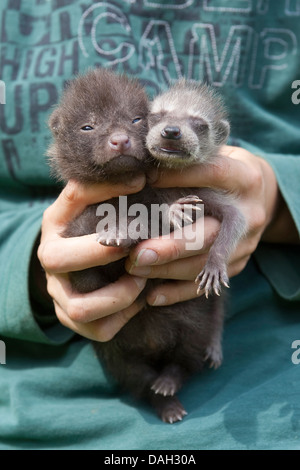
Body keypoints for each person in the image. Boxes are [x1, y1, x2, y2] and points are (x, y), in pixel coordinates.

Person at [0, 0, 299, 450]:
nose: (122, 136)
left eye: (135, 122)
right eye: (155, 121)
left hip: (261, 383)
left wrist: (280, 199)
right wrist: (33, 264)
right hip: (46, 400)